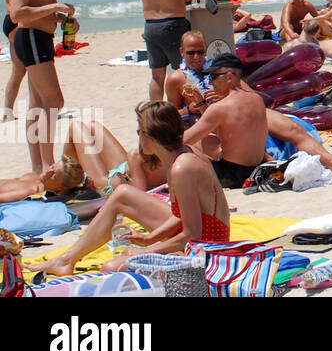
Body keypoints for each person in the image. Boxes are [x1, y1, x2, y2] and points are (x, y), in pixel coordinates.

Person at [39, 102, 231, 275]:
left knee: (111, 268)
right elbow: (181, 214)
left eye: (140, 131)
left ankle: (67, 261)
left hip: (208, 252)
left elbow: (193, 234)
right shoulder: (182, 155)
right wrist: (150, 239)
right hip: (206, 236)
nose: (138, 135)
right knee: (122, 194)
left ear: (152, 136)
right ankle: (66, 259)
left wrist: (145, 251)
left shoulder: (181, 169)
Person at [183, 51, 332, 185]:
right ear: (182, 52)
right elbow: (225, 125)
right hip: (252, 161)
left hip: (233, 170)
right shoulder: (254, 99)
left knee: (194, 143)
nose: (211, 81)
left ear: (229, 77)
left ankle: (331, 162)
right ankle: (275, 163)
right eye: (191, 52)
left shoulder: (227, 102)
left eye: (213, 77)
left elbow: (192, 137)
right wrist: (198, 105)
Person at [9, 0, 79, 172]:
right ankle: (48, 163)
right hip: (30, 37)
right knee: (54, 101)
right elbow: (17, 13)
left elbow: (42, 5)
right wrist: (54, 8)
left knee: (38, 104)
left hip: (43, 37)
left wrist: (62, 17)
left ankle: (38, 166)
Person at [0, 117, 167, 203]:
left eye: (52, 169)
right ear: (60, 188)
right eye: (53, 174)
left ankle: (75, 172)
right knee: (81, 127)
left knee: (90, 126)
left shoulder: (33, 187)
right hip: (111, 178)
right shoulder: (34, 186)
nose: (48, 171)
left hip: (108, 179)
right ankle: (75, 172)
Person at [2, 0, 35, 129]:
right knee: (32, 69)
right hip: (17, 22)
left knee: (19, 71)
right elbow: (17, 5)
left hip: (11, 21)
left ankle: (7, 111)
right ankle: (36, 109)